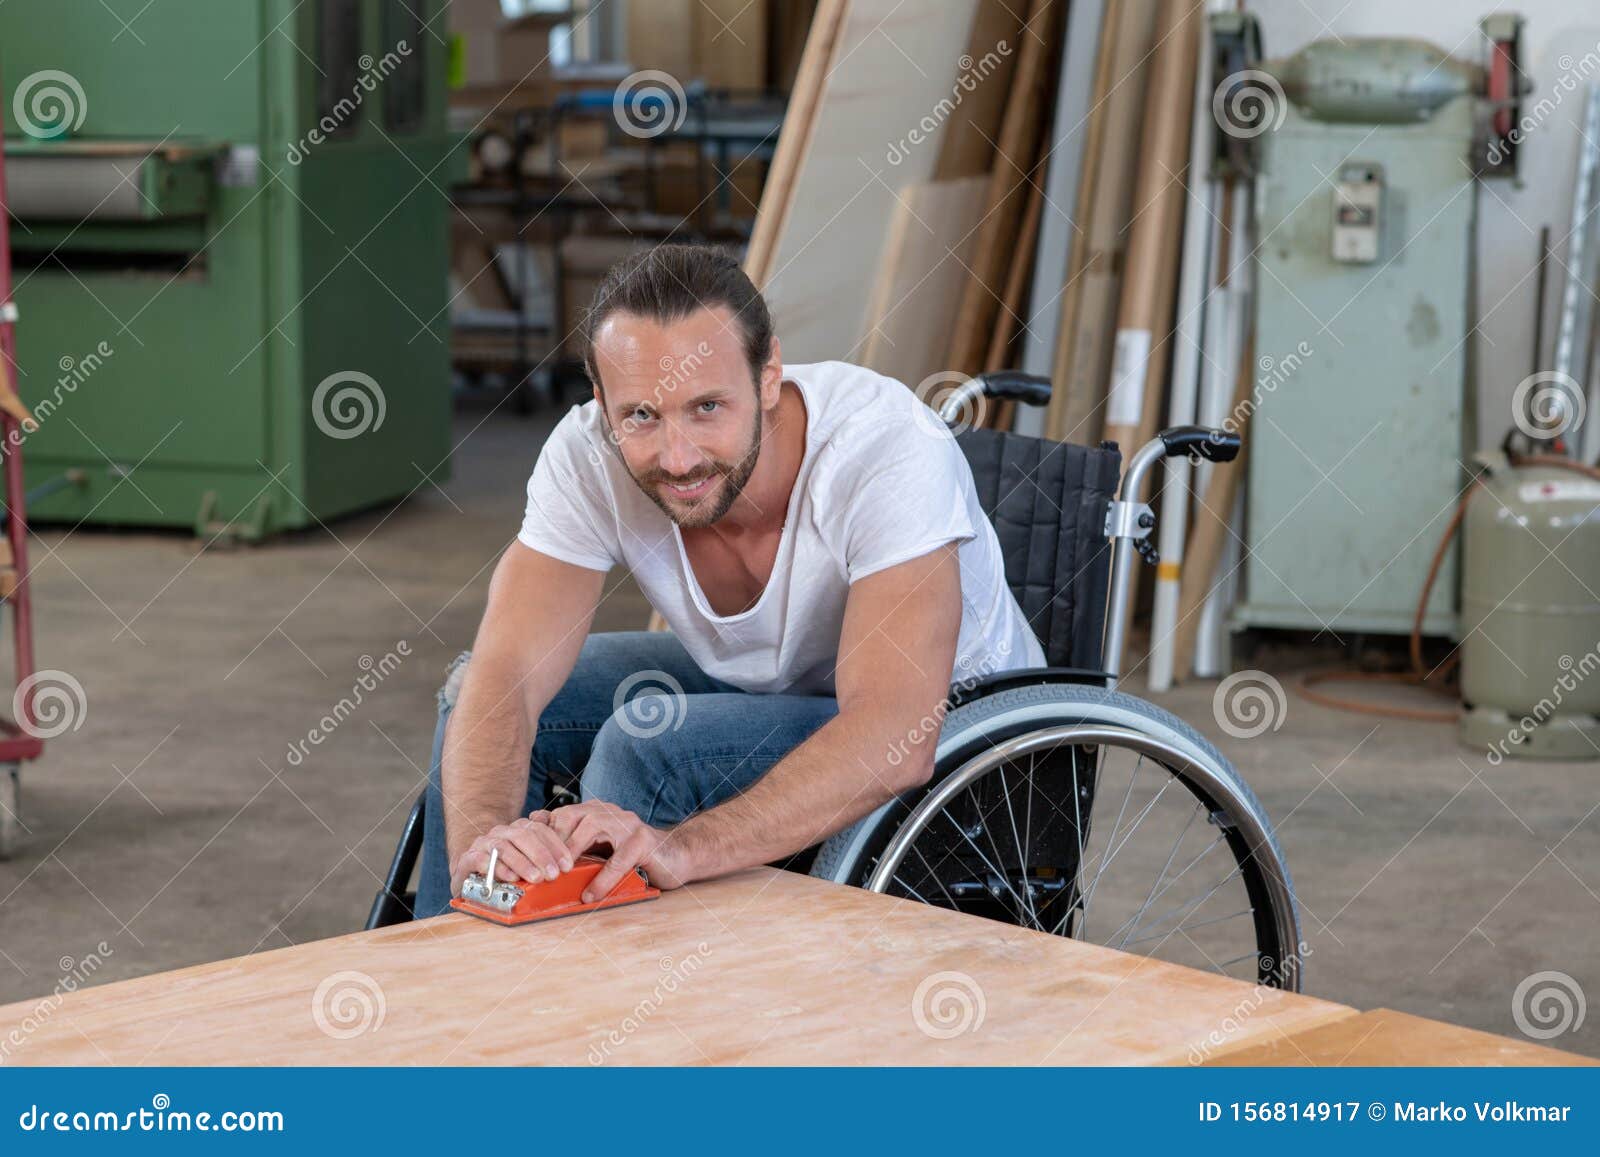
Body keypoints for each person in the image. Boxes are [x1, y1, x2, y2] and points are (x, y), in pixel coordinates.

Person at [414, 243, 1045, 918]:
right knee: (476, 689)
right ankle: (452, 967)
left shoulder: (884, 447)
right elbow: (509, 666)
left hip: (959, 729)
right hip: (778, 690)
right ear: (602, 403)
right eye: (641, 416)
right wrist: (485, 850)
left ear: (768, 374)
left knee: (649, 744)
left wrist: (681, 848)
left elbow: (896, 732)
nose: (678, 457)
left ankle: (616, 1014)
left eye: (707, 407)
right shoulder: (587, 457)